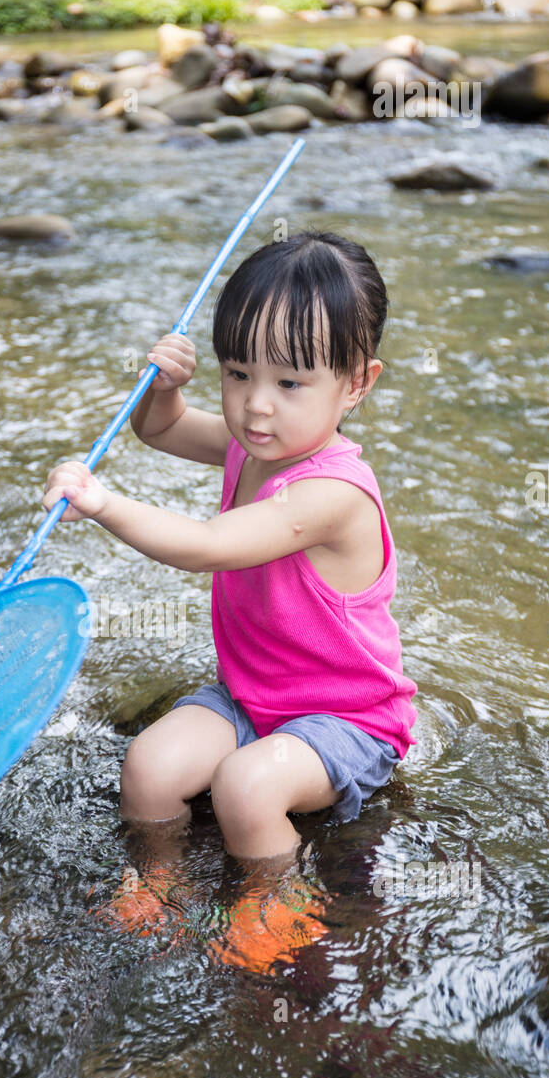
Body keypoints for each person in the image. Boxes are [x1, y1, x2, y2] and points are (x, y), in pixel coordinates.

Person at [42, 230, 418, 974]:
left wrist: (105, 504)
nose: (255, 407)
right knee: (149, 765)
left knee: (245, 789)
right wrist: (164, 387)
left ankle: (274, 901)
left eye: (289, 383)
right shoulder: (258, 441)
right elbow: (163, 428)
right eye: (236, 372)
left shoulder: (332, 493)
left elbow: (210, 545)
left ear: (356, 384)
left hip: (346, 719)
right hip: (253, 697)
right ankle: (158, 884)